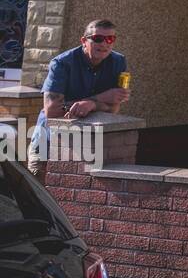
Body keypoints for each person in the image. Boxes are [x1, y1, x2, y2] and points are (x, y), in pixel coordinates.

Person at [28, 20, 130, 181]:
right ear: (84, 41)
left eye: (110, 39)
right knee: (34, 194)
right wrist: (100, 99)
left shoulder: (118, 62)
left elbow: (114, 110)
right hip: (48, 141)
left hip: (88, 146)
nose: (104, 44)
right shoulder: (62, 63)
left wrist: (91, 104)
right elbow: (52, 111)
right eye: (97, 38)